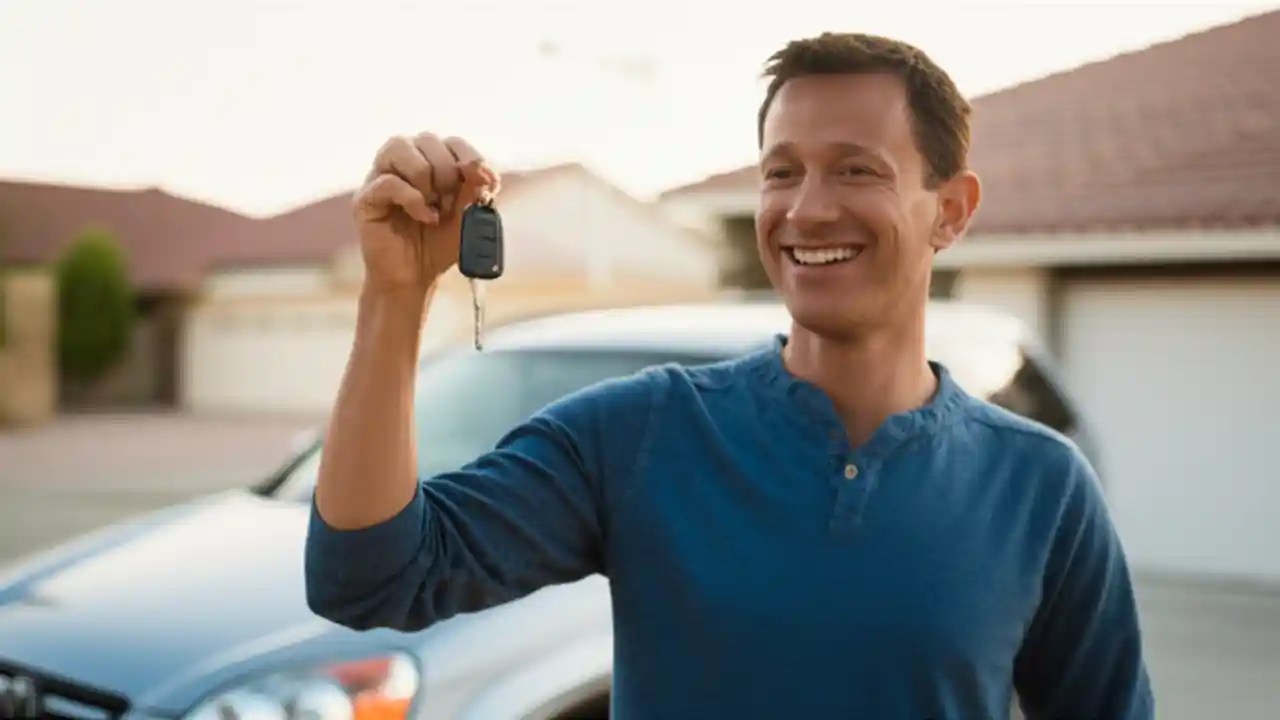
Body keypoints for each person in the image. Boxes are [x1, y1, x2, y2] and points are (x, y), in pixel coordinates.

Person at [304, 32, 1154, 719]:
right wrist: (396, 294)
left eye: (856, 168)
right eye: (781, 172)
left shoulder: (1042, 488)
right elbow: (369, 575)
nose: (806, 207)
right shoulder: (639, 436)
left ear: (953, 210)